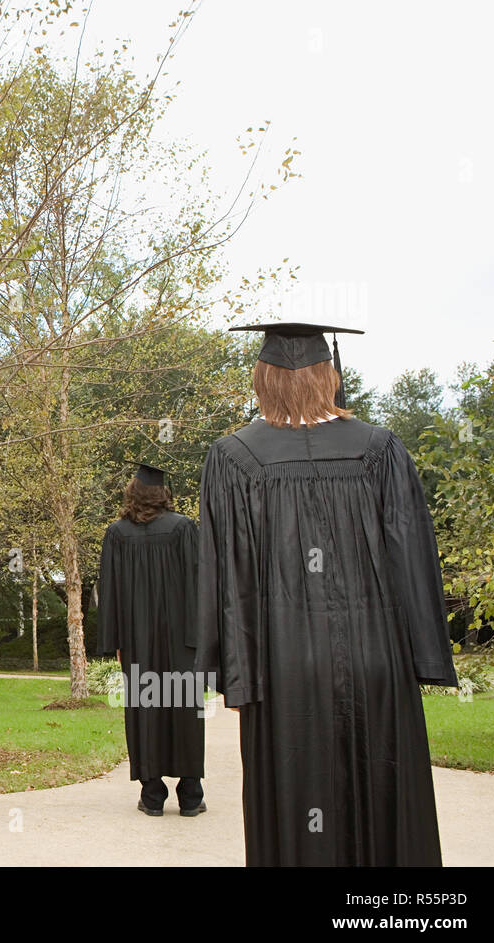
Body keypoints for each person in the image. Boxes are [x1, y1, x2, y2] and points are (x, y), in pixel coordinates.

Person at [196, 322, 457, 866]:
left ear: (262, 378)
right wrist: (424, 656)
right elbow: (413, 557)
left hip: (283, 667)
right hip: (376, 660)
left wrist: (235, 673)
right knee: (383, 791)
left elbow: (226, 580)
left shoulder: (232, 457)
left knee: (298, 802)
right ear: (329, 376)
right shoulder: (381, 449)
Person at [96, 462, 205, 817]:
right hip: (180, 643)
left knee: (146, 710)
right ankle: (190, 796)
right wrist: (199, 637)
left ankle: (153, 795)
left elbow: (108, 593)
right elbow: (198, 586)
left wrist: (115, 641)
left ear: (131, 494)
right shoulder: (184, 529)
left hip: (136, 642)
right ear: (163, 494)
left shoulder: (117, 534)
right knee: (184, 709)